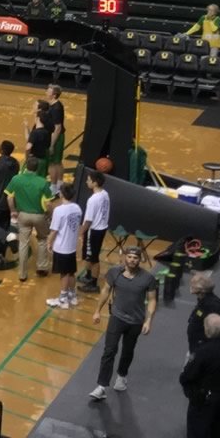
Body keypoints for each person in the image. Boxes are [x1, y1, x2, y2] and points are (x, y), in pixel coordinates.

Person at [89, 245, 158, 401]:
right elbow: (106, 290)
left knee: (128, 350)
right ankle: (101, 386)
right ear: (125, 257)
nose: (132, 260)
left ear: (140, 260)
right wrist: (97, 310)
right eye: (130, 257)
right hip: (117, 317)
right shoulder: (114, 273)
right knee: (109, 351)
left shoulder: (148, 278)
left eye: (135, 258)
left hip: (136, 321)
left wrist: (148, 320)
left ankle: (121, 376)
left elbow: (152, 300)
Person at [5, 157, 54, 281]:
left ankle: (22, 274)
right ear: (37, 168)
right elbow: (48, 204)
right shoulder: (43, 182)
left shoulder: (16, 179)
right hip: (39, 215)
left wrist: (13, 211)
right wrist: (50, 215)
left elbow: (9, 198)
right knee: (42, 239)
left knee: (23, 243)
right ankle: (42, 267)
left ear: (26, 166)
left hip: (23, 215)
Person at [46, 180, 84, 308]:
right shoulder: (77, 208)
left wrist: (49, 242)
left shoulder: (59, 210)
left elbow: (54, 230)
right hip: (72, 246)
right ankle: (72, 296)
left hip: (62, 247)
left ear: (61, 194)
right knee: (71, 271)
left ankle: (63, 299)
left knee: (64, 273)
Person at [77, 170, 111, 291]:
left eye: (89, 180)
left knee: (93, 257)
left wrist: (80, 232)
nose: (87, 181)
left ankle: (93, 284)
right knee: (90, 255)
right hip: (102, 228)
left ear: (95, 183)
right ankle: (88, 276)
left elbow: (88, 221)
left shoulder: (93, 200)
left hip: (94, 230)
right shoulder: (105, 194)